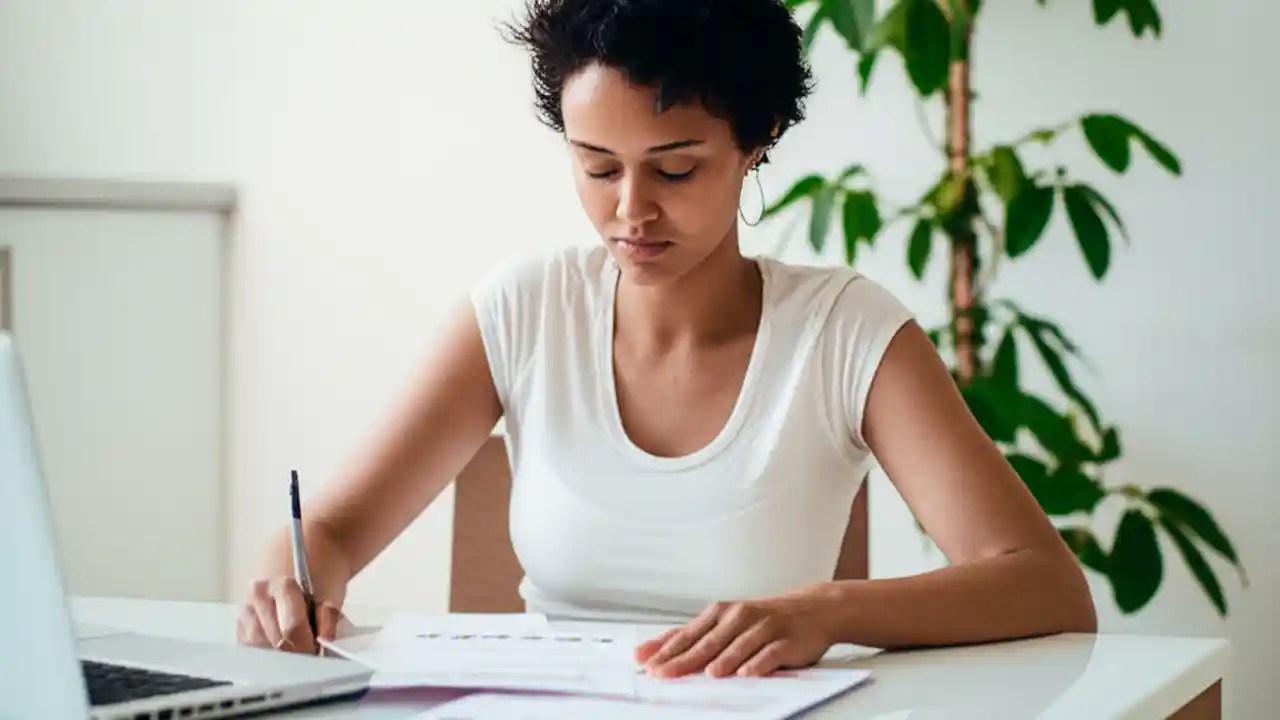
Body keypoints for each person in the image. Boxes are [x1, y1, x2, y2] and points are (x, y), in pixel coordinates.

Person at [236, 0, 1096, 679]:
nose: (630, 210)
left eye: (675, 168)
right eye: (597, 166)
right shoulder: (522, 310)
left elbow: (1045, 583)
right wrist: (291, 578)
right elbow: (330, 533)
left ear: (757, 140)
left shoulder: (846, 332)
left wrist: (826, 611)